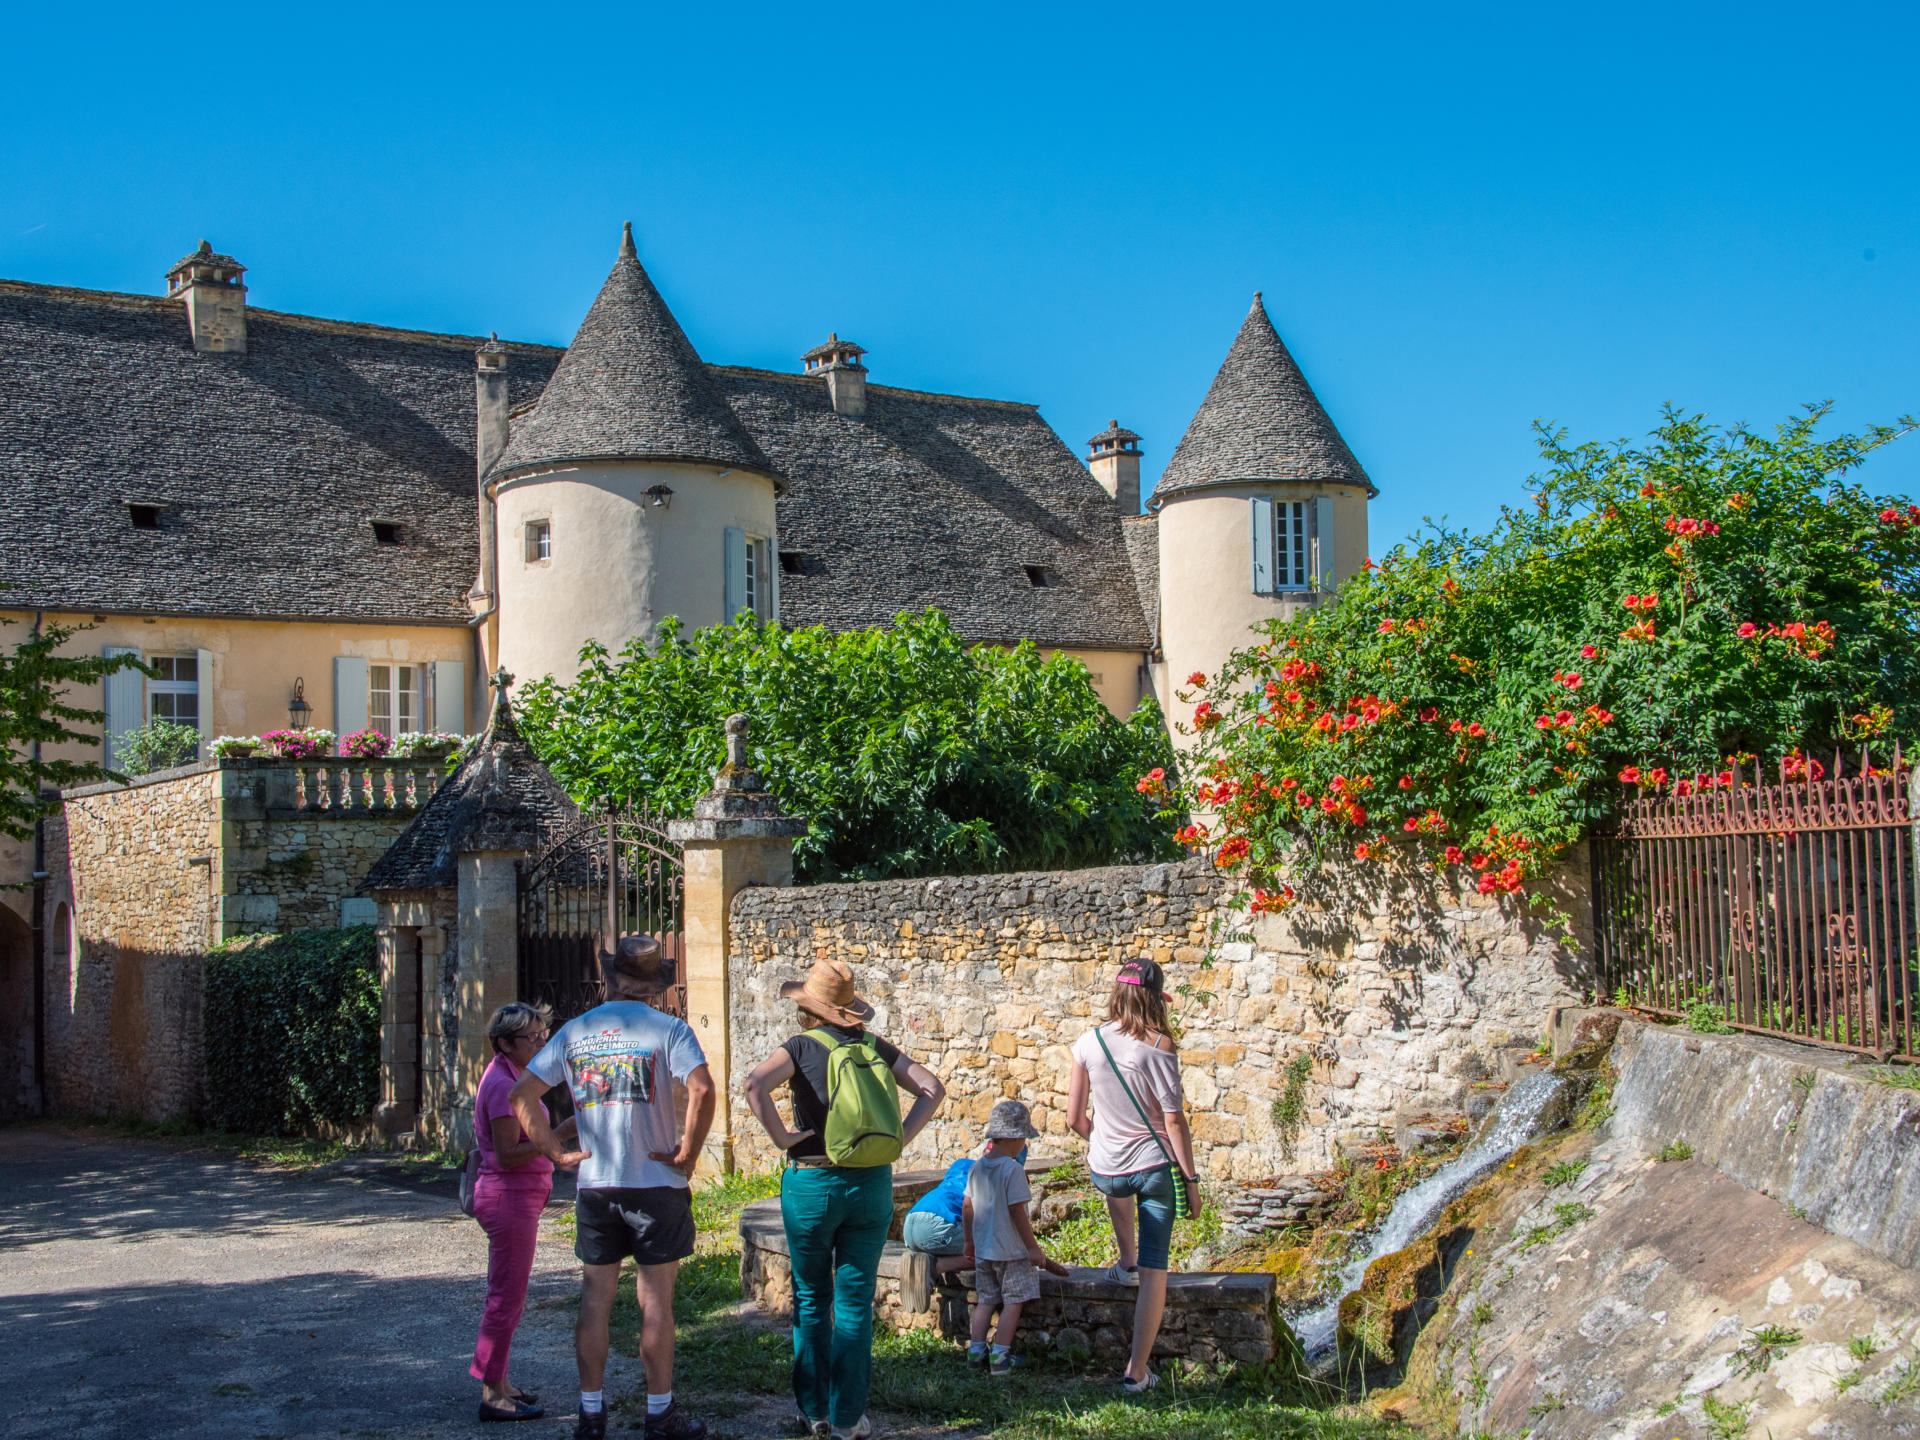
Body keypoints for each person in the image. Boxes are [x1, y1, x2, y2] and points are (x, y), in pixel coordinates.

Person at [511, 936, 716, 1440]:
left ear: (609, 977)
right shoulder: (670, 1030)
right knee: (656, 1303)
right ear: (654, 985)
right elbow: (703, 1088)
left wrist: (556, 1153)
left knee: (595, 1299)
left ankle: (590, 1412)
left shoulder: (575, 1032)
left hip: (597, 1182)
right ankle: (659, 1412)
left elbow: (522, 1096)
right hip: (655, 1182)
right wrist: (688, 1150)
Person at [743, 959, 947, 1440]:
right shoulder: (874, 1045)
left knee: (812, 1298)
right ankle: (847, 1420)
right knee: (855, 1304)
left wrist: (782, 1138)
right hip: (871, 1183)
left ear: (808, 1009)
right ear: (849, 1010)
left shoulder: (799, 1048)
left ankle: (812, 1412)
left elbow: (754, 1085)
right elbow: (932, 1088)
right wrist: (898, 1138)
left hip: (812, 1184)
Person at [1065, 958, 1202, 1395]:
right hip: (1152, 1166)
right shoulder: (1158, 1046)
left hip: (1107, 1170)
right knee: (1155, 1269)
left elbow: (1073, 1118)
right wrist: (1192, 1182)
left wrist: (1101, 1140)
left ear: (1117, 996)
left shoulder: (1088, 1042)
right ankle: (1136, 1370)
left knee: (1117, 1188)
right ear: (1153, 999)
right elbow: (1173, 1122)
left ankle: (1124, 1262)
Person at [471, 1001, 576, 1422]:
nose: (540, 1042)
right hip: (508, 1197)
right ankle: (492, 1393)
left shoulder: (515, 1076)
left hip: (519, 1197)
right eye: (531, 1037)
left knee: (509, 1297)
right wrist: (557, 1137)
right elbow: (507, 1154)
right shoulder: (501, 1085)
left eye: (541, 1034)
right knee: (505, 1298)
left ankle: (499, 1381)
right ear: (503, 1043)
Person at [959, 1100, 1063, 1375]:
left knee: (986, 1299)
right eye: (1024, 1139)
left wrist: (969, 1241)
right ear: (1016, 1138)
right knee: (1013, 1301)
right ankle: (1000, 1357)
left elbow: (967, 1207)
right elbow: (1017, 1212)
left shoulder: (977, 1167)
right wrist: (1032, 1248)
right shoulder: (1012, 1170)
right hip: (1013, 1253)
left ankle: (975, 1350)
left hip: (984, 1250)